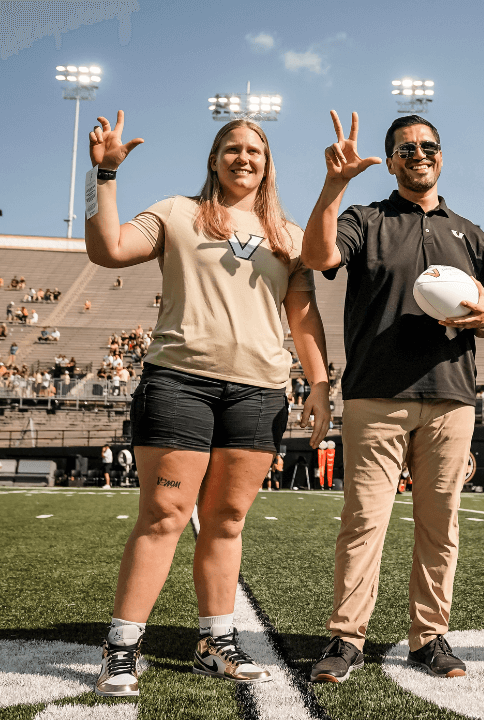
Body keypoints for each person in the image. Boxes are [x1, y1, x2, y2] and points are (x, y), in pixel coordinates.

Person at [85, 110, 330, 697]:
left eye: (256, 150)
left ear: (268, 164)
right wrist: (106, 177)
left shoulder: (288, 235)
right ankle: (121, 647)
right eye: (233, 148)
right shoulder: (176, 212)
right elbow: (109, 251)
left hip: (259, 388)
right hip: (180, 380)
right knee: (164, 516)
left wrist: (319, 383)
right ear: (214, 159)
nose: (245, 158)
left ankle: (215, 641)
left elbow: (301, 313)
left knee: (226, 521)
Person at [302, 111, 484, 682]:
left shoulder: (472, 233)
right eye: (406, 149)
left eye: (429, 146)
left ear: (442, 155)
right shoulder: (364, 219)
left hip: (451, 398)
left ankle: (429, 637)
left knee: (441, 525)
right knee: (364, 521)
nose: (419, 155)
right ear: (389, 161)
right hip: (376, 395)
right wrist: (334, 186)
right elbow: (318, 259)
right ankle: (346, 638)